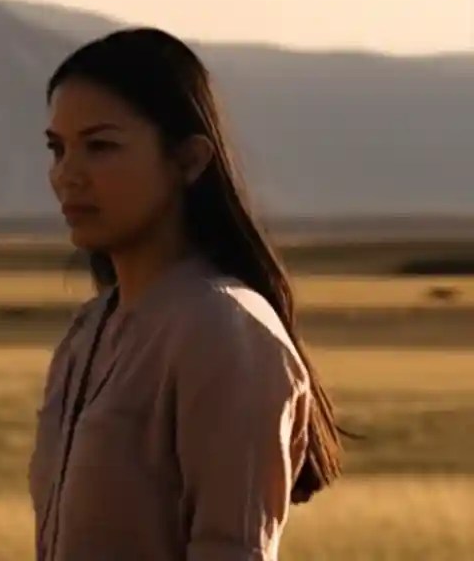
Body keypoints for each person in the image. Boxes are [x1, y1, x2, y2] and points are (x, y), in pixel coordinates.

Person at [28, 28, 344, 561]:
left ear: (190, 161)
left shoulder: (224, 330)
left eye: (100, 147)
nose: (67, 176)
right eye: (57, 149)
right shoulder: (88, 332)